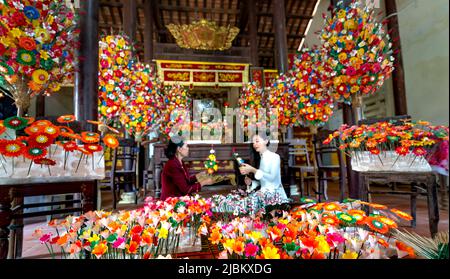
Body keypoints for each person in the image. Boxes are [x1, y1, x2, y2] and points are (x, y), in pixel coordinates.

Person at [239, 133, 288, 200]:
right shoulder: (259, 158)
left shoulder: (275, 157)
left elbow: (272, 178)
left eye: (257, 141)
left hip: (275, 196)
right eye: (253, 142)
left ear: (266, 141)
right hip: (263, 195)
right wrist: (251, 183)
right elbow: (264, 182)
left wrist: (253, 170)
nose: (254, 144)